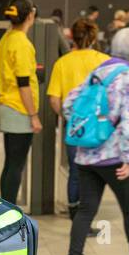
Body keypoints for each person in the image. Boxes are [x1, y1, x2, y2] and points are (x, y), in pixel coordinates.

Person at [60, 27, 129, 255]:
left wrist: (92, 129)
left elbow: (69, 104)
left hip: (86, 156)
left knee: (85, 211)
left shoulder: (98, 71)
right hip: (115, 158)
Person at [46, 17, 107, 223]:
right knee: (96, 172)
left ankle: (74, 213)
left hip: (75, 127)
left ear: (72, 36)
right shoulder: (104, 60)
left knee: (76, 170)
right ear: (93, 37)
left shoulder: (62, 62)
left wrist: (68, 118)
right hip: (99, 126)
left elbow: (54, 100)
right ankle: (88, 214)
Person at [0, 0, 41, 205]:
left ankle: (6, 208)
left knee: (10, 164)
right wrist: (33, 115)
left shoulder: (6, 38)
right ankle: (11, 213)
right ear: (30, 16)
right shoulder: (22, 43)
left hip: (7, 106)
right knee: (16, 165)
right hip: (19, 109)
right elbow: (23, 83)